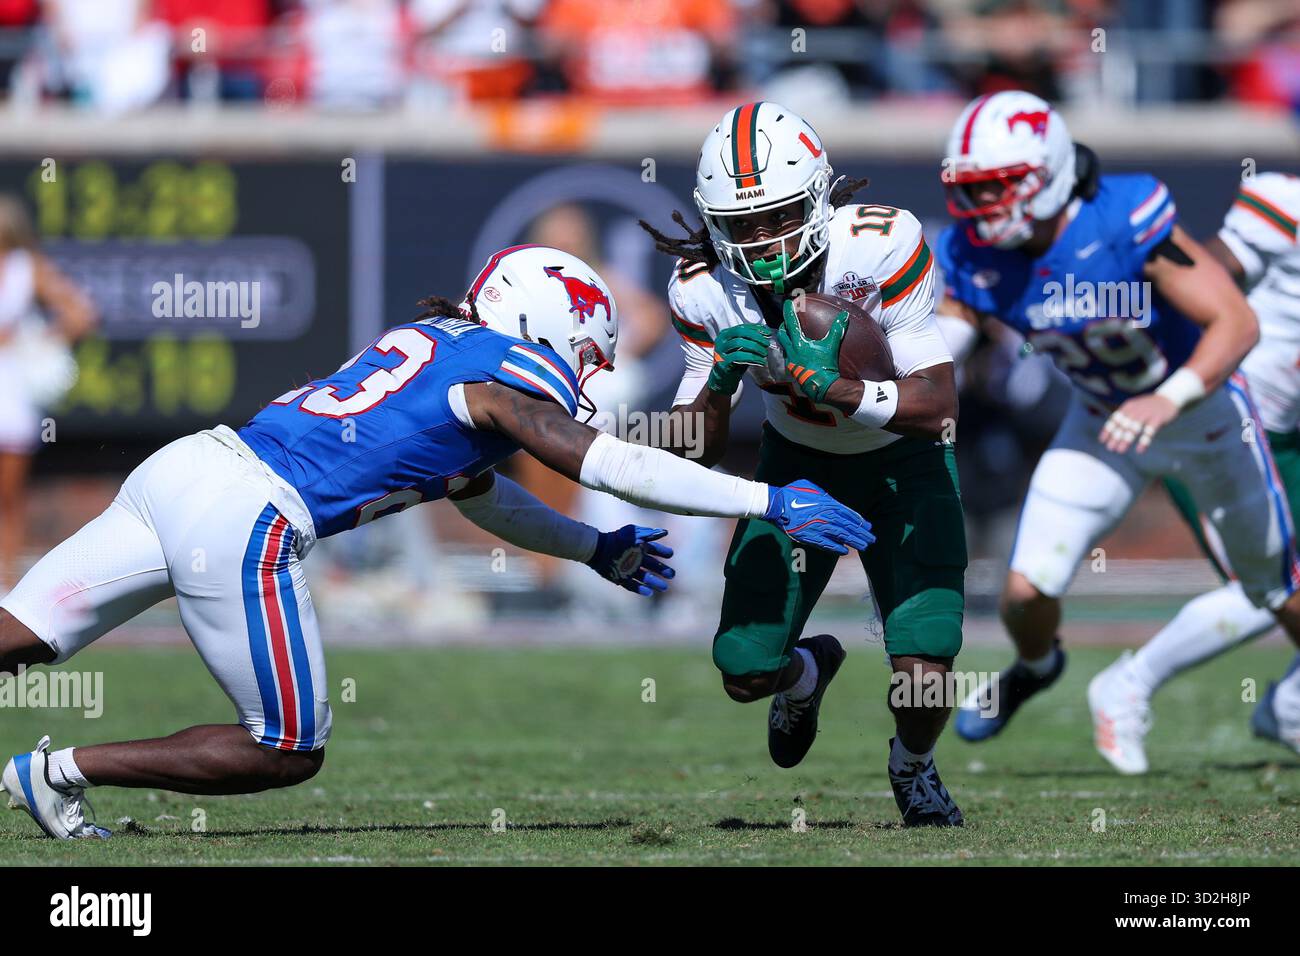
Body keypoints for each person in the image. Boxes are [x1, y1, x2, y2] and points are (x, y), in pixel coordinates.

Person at [0, 245, 872, 840]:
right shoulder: (504, 368)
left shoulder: (432, 343)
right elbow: (605, 462)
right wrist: (766, 495)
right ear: (544, 327)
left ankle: (50, 773)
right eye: (582, 353)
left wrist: (588, 550)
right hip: (246, 516)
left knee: (22, 635)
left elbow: (477, 494)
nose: (582, 373)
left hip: (187, 466)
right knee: (287, 747)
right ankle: (58, 772)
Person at [933, 91, 1300, 749]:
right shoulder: (971, 251)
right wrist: (891, 375)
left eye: (1001, 185)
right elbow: (947, 341)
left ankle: (1274, 707)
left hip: (1204, 413)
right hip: (1102, 421)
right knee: (1024, 592)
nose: (987, 206)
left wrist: (1169, 393)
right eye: (975, 189)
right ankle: (1039, 665)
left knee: (1279, 590)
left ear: (1047, 171)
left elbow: (1233, 319)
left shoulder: (1122, 218)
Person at [640, 102, 967, 827]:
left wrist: (836, 388)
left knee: (926, 669)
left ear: (818, 196)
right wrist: (720, 382)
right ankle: (807, 672)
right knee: (744, 668)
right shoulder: (703, 287)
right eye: (742, 226)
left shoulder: (881, 245)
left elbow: (939, 406)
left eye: (778, 216)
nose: (761, 242)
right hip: (798, 473)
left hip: (903, 466)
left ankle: (912, 768)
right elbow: (696, 446)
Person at [1087, 171, 1300, 771]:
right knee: (1270, 584)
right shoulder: (1286, 202)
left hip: (1292, 431)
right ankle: (1130, 682)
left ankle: (1287, 708)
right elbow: (1207, 272)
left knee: (1276, 583)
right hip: (1232, 421)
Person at [0, 196, 96, 589]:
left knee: (8, 496)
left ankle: (5, 584)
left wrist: (40, 342)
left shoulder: (27, 269)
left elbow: (80, 313)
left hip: (11, 390)